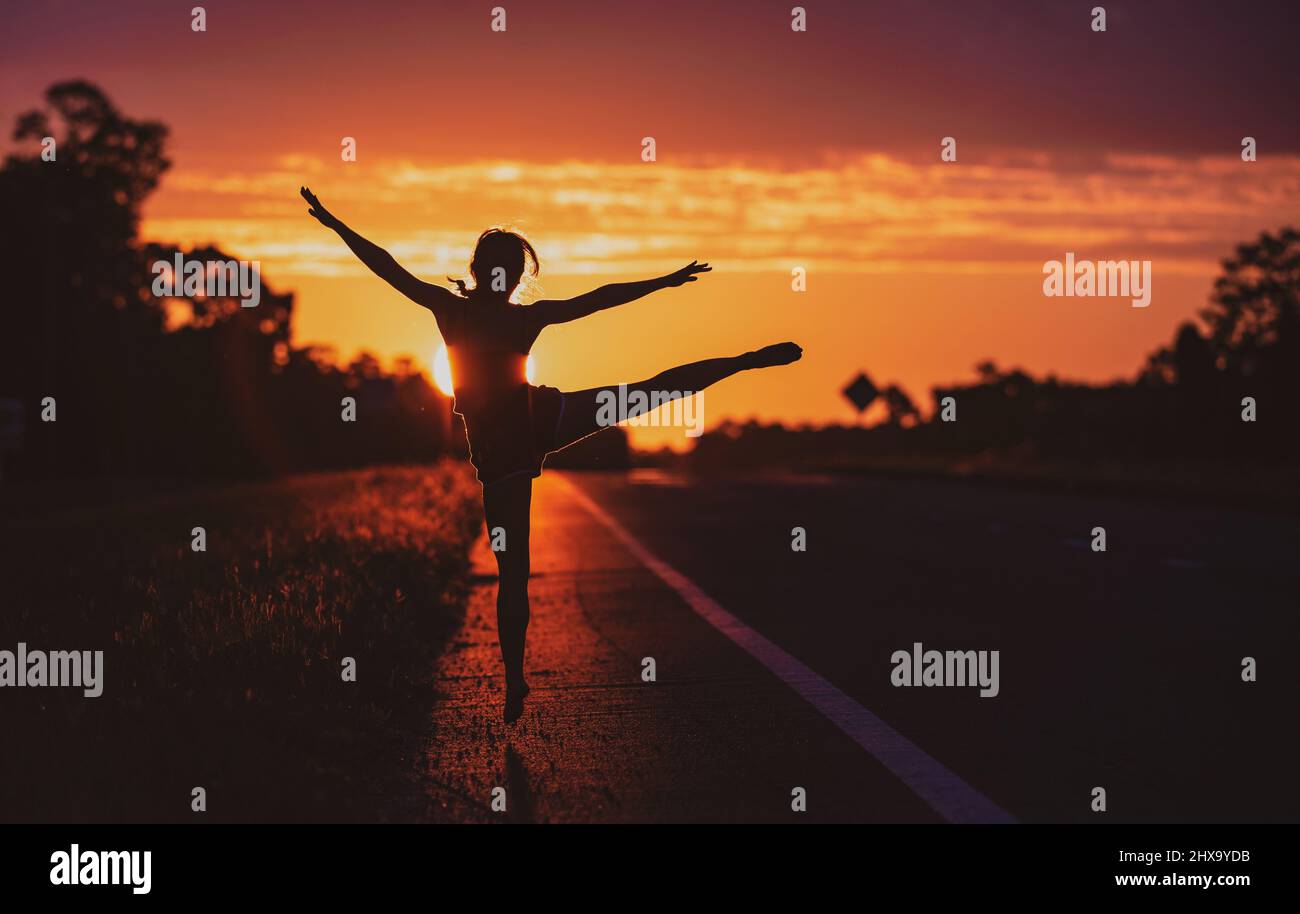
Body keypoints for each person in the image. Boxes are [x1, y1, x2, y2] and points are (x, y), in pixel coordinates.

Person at [301, 186, 802, 722]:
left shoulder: (471, 312)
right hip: (525, 436)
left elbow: (392, 268)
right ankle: (514, 679)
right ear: (494, 272)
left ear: (507, 276)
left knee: (518, 566)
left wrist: (663, 282)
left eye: (510, 271)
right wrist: (336, 224)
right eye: (505, 269)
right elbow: (387, 265)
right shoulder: (490, 314)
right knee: (645, 397)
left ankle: (514, 680)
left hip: (521, 437)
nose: (506, 278)